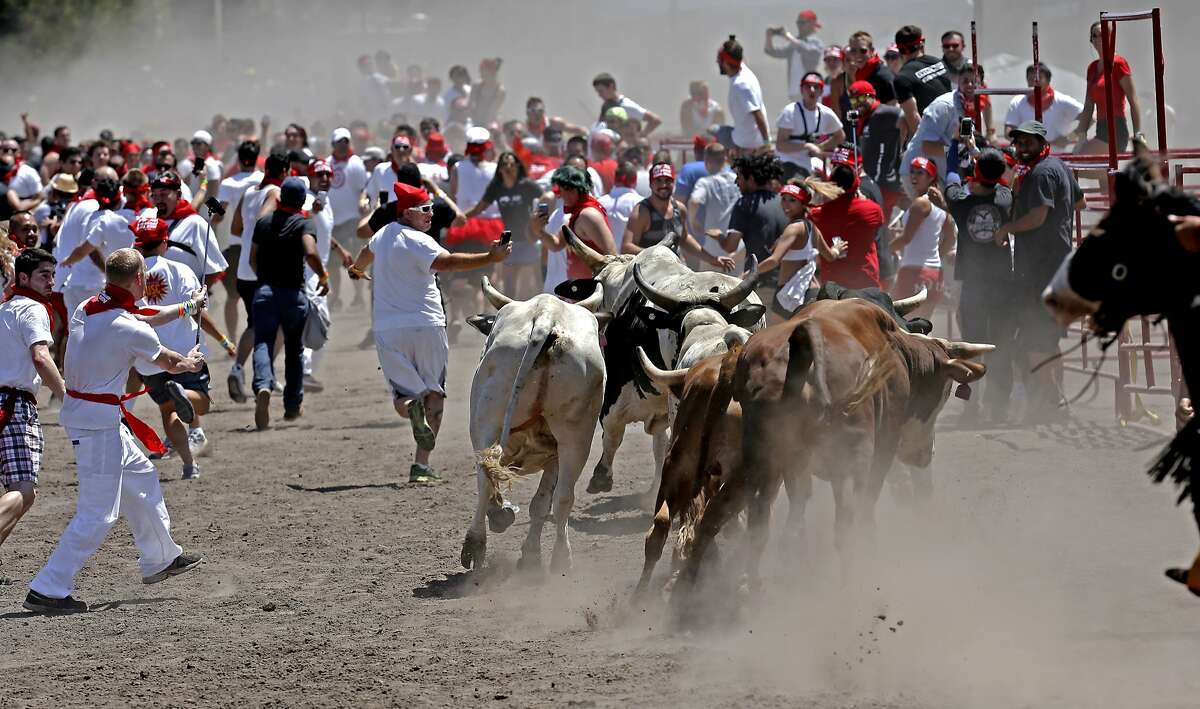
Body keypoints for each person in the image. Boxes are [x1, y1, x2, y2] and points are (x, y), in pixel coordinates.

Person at [24, 248, 207, 614]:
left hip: (95, 416)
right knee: (98, 513)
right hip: (97, 422)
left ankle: (161, 557)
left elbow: (143, 316)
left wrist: (188, 307)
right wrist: (190, 361)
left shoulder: (90, 306)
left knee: (141, 476)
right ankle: (48, 587)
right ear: (138, 279)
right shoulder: (127, 325)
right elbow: (167, 361)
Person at [348, 182, 511, 482]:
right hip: (427, 325)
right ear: (406, 212)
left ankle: (411, 409)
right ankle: (421, 466)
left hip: (388, 329)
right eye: (424, 210)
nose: (431, 214)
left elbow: (363, 252)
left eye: (431, 208)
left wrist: (356, 270)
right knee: (434, 394)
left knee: (403, 396)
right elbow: (447, 263)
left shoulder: (383, 234)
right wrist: (490, 259)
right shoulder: (421, 242)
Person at [993, 120, 1084, 423]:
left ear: (1042, 142)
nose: (1022, 147)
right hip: (1054, 268)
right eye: (1019, 142)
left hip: (1043, 270)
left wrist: (1007, 227)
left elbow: (1038, 217)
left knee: (1034, 343)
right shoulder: (1058, 168)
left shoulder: (1042, 173)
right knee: (1044, 341)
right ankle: (1052, 404)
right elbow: (1080, 202)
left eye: (1029, 142)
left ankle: (1055, 403)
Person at [130, 217, 235, 479]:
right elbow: (198, 307)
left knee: (167, 410)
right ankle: (186, 396)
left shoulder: (130, 276)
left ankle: (189, 464)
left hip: (149, 356)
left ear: (138, 245)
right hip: (184, 351)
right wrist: (222, 338)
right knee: (202, 402)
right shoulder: (180, 270)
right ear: (164, 243)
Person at [0, 249, 66, 583]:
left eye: (53, 275)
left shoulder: (4, 309)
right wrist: (67, 394)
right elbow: (41, 357)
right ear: (23, 278)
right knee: (24, 489)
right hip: (13, 405)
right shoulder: (33, 309)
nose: (51, 282)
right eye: (44, 275)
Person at [247, 178, 328, 429]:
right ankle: (292, 406)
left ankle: (263, 385)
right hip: (294, 296)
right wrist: (323, 275)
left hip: (265, 293)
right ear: (302, 201)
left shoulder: (263, 223)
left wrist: (263, 278)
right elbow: (311, 251)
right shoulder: (304, 223)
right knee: (294, 350)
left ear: (280, 200)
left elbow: (252, 259)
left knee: (263, 342)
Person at [945, 146, 1017, 423]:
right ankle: (999, 407)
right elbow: (1004, 185)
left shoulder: (961, 203)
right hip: (1001, 284)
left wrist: (959, 156)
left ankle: (970, 408)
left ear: (976, 173)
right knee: (1000, 345)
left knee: (972, 347)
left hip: (974, 286)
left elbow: (953, 179)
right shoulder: (1005, 198)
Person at [227, 151, 288, 402]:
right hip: (261, 269)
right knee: (281, 324)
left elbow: (235, 228)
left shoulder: (249, 191)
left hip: (243, 269)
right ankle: (266, 373)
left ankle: (238, 369)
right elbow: (265, 221)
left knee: (255, 324)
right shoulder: (274, 192)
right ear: (284, 172)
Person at [622, 162, 736, 271]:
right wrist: (657, 254)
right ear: (651, 184)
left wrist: (713, 259)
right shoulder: (642, 212)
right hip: (648, 274)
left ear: (674, 183)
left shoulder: (679, 209)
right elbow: (627, 247)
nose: (663, 185)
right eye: (658, 181)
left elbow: (684, 239)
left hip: (675, 272)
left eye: (668, 181)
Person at [759, 179, 845, 319]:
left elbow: (774, 260)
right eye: (784, 199)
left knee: (773, 338)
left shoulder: (793, 228)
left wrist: (751, 273)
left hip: (790, 296)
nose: (786, 204)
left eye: (792, 200)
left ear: (803, 204)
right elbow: (830, 256)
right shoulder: (812, 228)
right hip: (814, 293)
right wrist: (836, 249)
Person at [463, 151, 543, 300]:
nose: (509, 167)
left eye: (512, 164)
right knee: (509, 289)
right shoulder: (496, 187)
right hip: (508, 239)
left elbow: (546, 200)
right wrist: (461, 217)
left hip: (528, 239)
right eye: (505, 164)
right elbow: (479, 208)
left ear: (518, 167)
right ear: (499, 168)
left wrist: (538, 221)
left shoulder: (526, 185)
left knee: (528, 288)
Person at [302, 161, 353, 390]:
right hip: (308, 270)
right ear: (310, 176)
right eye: (319, 174)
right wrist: (313, 210)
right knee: (315, 321)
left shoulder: (327, 200)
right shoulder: (307, 198)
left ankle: (303, 371)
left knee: (318, 323)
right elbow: (302, 221)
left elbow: (323, 232)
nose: (324, 178)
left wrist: (339, 250)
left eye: (328, 174)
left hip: (319, 270)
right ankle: (303, 371)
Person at [889, 157, 956, 319]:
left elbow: (906, 238)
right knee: (922, 327)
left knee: (906, 327)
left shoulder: (921, 203)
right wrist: (936, 257)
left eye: (920, 173)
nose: (914, 176)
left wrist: (881, 251)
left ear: (931, 177)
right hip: (934, 274)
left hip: (914, 272)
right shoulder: (939, 205)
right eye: (912, 171)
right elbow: (952, 237)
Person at [811, 147, 885, 290]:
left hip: (833, 285)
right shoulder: (872, 210)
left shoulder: (817, 214)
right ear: (856, 184)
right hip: (865, 282)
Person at [718, 153, 788, 304]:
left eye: (739, 176)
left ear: (750, 179)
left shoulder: (745, 204)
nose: (736, 182)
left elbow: (731, 245)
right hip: (788, 284)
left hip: (758, 283)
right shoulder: (785, 203)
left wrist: (718, 237)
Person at [531, 165, 618, 283]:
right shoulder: (578, 213)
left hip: (591, 289)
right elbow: (556, 244)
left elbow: (611, 255)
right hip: (580, 287)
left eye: (570, 190)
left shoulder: (587, 215)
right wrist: (539, 231)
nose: (564, 195)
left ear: (581, 188)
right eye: (562, 189)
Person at [900, 64, 981, 190]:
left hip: (940, 176)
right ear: (958, 81)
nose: (970, 85)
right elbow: (926, 146)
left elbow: (964, 144)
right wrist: (956, 152)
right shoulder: (944, 106)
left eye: (974, 81)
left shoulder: (971, 108)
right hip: (916, 173)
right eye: (965, 81)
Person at [214, 140, 263, 338]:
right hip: (261, 246)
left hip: (236, 246)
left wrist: (210, 199)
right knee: (261, 294)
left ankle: (232, 340)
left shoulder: (229, 183)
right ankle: (260, 335)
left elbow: (217, 216)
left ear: (239, 159)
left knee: (233, 297)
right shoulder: (264, 180)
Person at [1075, 21, 1143, 159]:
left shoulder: (1118, 63)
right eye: (1095, 35)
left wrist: (1138, 134)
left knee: (1076, 165)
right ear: (1091, 40)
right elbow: (1088, 106)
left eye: (1103, 35)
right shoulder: (1092, 68)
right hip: (1101, 128)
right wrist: (1081, 134)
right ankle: (1115, 179)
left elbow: (1133, 100)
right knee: (1103, 177)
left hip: (1116, 128)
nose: (1099, 39)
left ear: (1111, 36)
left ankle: (1119, 178)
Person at [151, 170, 227, 287]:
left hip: (187, 301)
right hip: (156, 301)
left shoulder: (195, 223)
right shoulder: (149, 222)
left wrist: (197, 296)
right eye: (154, 195)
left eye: (163, 194)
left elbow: (214, 270)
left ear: (178, 195)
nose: (158, 200)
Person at [327, 127, 369, 310]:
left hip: (351, 219)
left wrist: (362, 204)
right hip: (331, 221)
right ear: (333, 144)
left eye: (346, 141)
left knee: (353, 260)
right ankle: (335, 296)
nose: (343, 145)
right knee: (333, 265)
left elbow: (362, 189)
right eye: (339, 142)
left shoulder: (356, 163)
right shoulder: (327, 163)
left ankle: (359, 296)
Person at [850, 81, 904, 219]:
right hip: (875, 183)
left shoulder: (883, 112)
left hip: (886, 183)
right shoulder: (866, 118)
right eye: (854, 99)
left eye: (862, 98)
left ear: (872, 95)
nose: (858, 103)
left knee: (880, 224)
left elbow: (907, 117)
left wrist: (903, 147)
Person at [688, 142, 745, 272]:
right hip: (737, 244)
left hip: (714, 248)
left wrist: (693, 222)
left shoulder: (706, 182)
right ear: (725, 159)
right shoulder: (738, 179)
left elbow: (694, 201)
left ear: (706, 161)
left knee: (707, 289)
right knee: (736, 287)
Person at [775, 72, 844, 179]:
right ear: (802, 90)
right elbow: (780, 145)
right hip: (788, 161)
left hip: (811, 163)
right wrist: (806, 146)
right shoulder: (790, 111)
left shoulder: (826, 113)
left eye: (816, 87)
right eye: (808, 86)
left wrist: (820, 147)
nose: (812, 90)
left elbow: (840, 136)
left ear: (821, 91)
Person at [1005, 63, 1084, 148]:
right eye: (1030, 79)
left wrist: (1069, 138)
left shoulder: (1063, 101)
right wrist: (1026, 142)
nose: (1034, 83)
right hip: (1028, 158)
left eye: (1038, 79)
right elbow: (1008, 132)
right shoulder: (1017, 102)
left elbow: (1091, 117)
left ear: (1048, 80)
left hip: (1058, 157)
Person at [892, 25, 952, 135]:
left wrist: (925, 146)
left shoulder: (902, 78)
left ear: (899, 49)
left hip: (935, 137)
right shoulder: (939, 62)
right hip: (956, 127)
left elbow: (914, 117)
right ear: (922, 42)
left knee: (901, 120)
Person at [717, 35, 772, 155]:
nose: (717, 62)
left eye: (719, 59)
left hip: (745, 142)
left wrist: (767, 144)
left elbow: (757, 114)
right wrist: (733, 43)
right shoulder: (744, 70)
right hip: (748, 137)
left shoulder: (741, 85)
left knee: (710, 133)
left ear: (726, 63)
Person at [764, 9, 825, 100]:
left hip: (810, 92)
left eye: (802, 22)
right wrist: (769, 36)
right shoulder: (794, 44)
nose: (799, 26)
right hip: (795, 93)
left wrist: (787, 36)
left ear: (812, 24)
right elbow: (773, 52)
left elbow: (807, 50)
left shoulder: (816, 42)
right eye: (798, 23)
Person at [841, 31, 897, 115]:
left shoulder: (882, 76)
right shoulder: (861, 73)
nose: (858, 55)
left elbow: (894, 109)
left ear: (871, 51)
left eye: (863, 51)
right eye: (853, 51)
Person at [592, 73, 661, 136]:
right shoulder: (606, 105)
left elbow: (655, 120)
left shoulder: (625, 105)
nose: (599, 95)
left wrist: (640, 136)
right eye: (597, 92)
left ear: (611, 86)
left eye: (601, 91)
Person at [600, 161, 643, 258]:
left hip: (606, 261)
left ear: (615, 179)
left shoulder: (600, 203)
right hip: (632, 261)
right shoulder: (641, 203)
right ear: (634, 179)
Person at [366, 134, 416, 209]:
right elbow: (371, 196)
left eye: (405, 147)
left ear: (410, 150)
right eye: (397, 147)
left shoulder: (419, 172)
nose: (401, 150)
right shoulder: (380, 170)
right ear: (392, 150)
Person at [178, 130, 223, 210]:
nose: (195, 147)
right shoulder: (195, 164)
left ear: (207, 146)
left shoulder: (211, 166)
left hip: (206, 215)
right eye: (193, 144)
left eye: (198, 144)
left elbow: (212, 195)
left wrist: (197, 209)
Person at [1, 139, 43, 221]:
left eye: (13, 150)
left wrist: (21, 207)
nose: (9, 152)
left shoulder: (27, 171)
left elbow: (40, 196)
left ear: (19, 152)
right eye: (5, 150)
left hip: (20, 219)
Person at [469, 58, 506, 129]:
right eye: (481, 72)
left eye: (483, 72)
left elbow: (493, 109)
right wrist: (475, 121)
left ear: (492, 73)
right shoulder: (476, 86)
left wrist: (484, 125)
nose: (481, 74)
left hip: (491, 121)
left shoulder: (500, 90)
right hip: (474, 119)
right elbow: (470, 105)